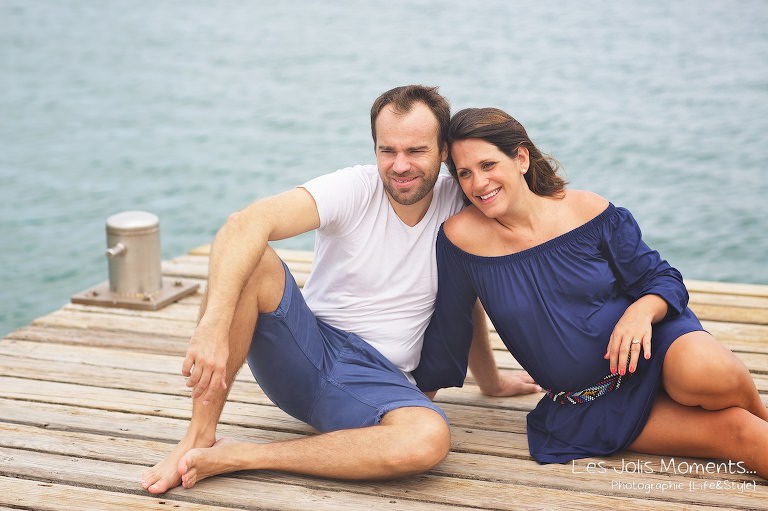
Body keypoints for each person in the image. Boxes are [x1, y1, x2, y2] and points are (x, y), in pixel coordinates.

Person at [141, 86, 539, 494]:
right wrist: (212, 326)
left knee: (428, 437)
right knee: (253, 258)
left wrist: (489, 382)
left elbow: (465, 298)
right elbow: (244, 223)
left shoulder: (461, 201)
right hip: (309, 354)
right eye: (387, 150)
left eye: (416, 151)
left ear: (442, 152)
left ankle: (242, 456)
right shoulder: (354, 188)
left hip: (381, 384)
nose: (400, 165)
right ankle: (198, 438)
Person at [414, 107, 768, 477]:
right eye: (465, 173)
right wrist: (417, 406)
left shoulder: (588, 210)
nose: (478, 183)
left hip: (655, 349)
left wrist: (640, 313)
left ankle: (762, 415)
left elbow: (661, 278)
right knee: (738, 432)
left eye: (488, 165)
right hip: (592, 404)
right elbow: (451, 329)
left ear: (520, 158)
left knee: (710, 371)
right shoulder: (461, 239)